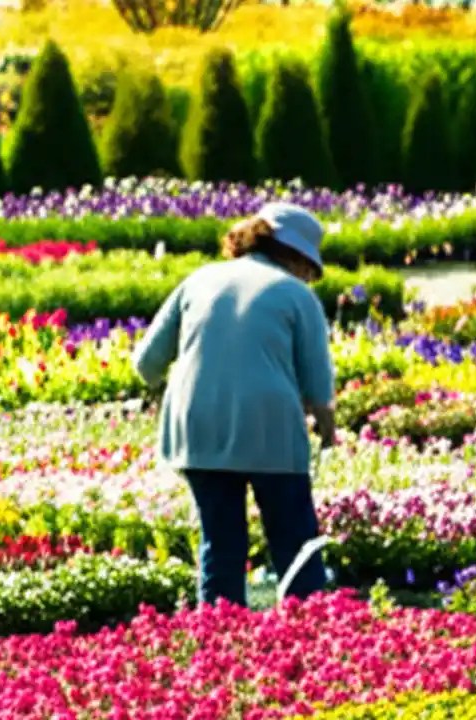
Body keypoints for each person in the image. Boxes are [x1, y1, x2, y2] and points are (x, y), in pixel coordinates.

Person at [131, 201, 337, 607]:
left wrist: (168, 386)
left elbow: (146, 363)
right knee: (294, 540)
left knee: (220, 541)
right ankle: (311, 632)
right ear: (295, 258)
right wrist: (327, 428)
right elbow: (317, 385)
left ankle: (220, 641)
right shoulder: (296, 296)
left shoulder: (199, 280)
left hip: (196, 427)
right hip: (269, 429)